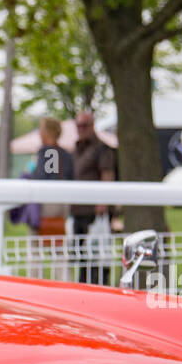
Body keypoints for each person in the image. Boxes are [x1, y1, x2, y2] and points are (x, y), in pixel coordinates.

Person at [71, 110, 116, 284]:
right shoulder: (76, 148)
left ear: (92, 125)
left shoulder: (101, 148)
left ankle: (101, 287)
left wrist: (102, 202)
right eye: (78, 125)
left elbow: (107, 174)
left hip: (95, 213)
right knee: (82, 257)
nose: (81, 129)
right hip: (78, 211)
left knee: (97, 257)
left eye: (85, 125)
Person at [26, 117, 73, 278]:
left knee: (36, 247)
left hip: (47, 207)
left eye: (41, 129)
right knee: (58, 247)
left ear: (49, 132)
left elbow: (44, 178)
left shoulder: (48, 152)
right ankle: (63, 280)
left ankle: (35, 280)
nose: (39, 133)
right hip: (62, 206)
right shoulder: (65, 154)